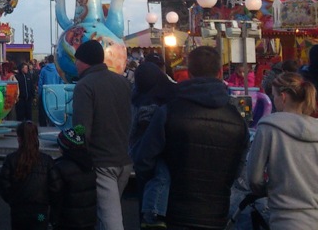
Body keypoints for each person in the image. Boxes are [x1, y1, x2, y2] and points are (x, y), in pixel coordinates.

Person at [134, 46, 248, 230]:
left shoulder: (169, 112)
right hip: (217, 214)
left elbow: (143, 160)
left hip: (174, 212)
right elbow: (239, 170)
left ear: (189, 73)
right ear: (220, 73)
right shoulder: (237, 120)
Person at [246, 72, 318, 229]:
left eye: (274, 95)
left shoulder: (268, 127)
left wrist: (271, 190)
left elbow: (254, 179)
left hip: (285, 219)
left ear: (283, 97)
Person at [72, 40, 132, 230]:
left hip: (101, 161)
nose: (75, 64)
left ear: (85, 61)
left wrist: (77, 152)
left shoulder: (84, 86)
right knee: (105, 214)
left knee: (110, 219)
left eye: (77, 60)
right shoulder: (122, 82)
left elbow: (81, 128)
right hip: (125, 157)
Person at [129, 60, 177, 229]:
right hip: (158, 154)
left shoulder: (136, 96)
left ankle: (149, 217)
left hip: (140, 155)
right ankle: (153, 214)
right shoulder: (168, 96)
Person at [0, 120, 54, 229]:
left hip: (19, 212)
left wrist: (12, 200)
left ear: (19, 138)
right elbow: (55, 186)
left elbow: (2, 183)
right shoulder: (47, 161)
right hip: (40, 211)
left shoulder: (11, 159)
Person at [47, 124, 98, 230]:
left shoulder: (59, 167)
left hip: (67, 221)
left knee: (39, 218)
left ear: (64, 147)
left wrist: (51, 218)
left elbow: (55, 195)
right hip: (88, 220)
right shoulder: (89, 165)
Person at [37, 55, 61, 127]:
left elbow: (40, 83)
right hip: (56, 92)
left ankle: (43, 125)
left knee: (43, 110)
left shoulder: (43, 70)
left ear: (47, 60)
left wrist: (39, 93)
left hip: (45, 92)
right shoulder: (58, 69)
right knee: (55, 109)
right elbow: (61, 81)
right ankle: (54, 124)